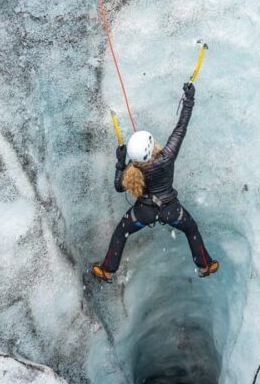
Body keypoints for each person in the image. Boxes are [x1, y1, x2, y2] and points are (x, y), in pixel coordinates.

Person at [91, 82, 219, 282]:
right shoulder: (167, 157)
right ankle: (205, 265)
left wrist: (119, 161)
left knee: (120, 233)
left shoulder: (132, 169)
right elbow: (181, 127)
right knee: (191, 229)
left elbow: (118, 186)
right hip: (171, 210)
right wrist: (189, 100)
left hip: (144, 213)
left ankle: (107, 270)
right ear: (152, 145)